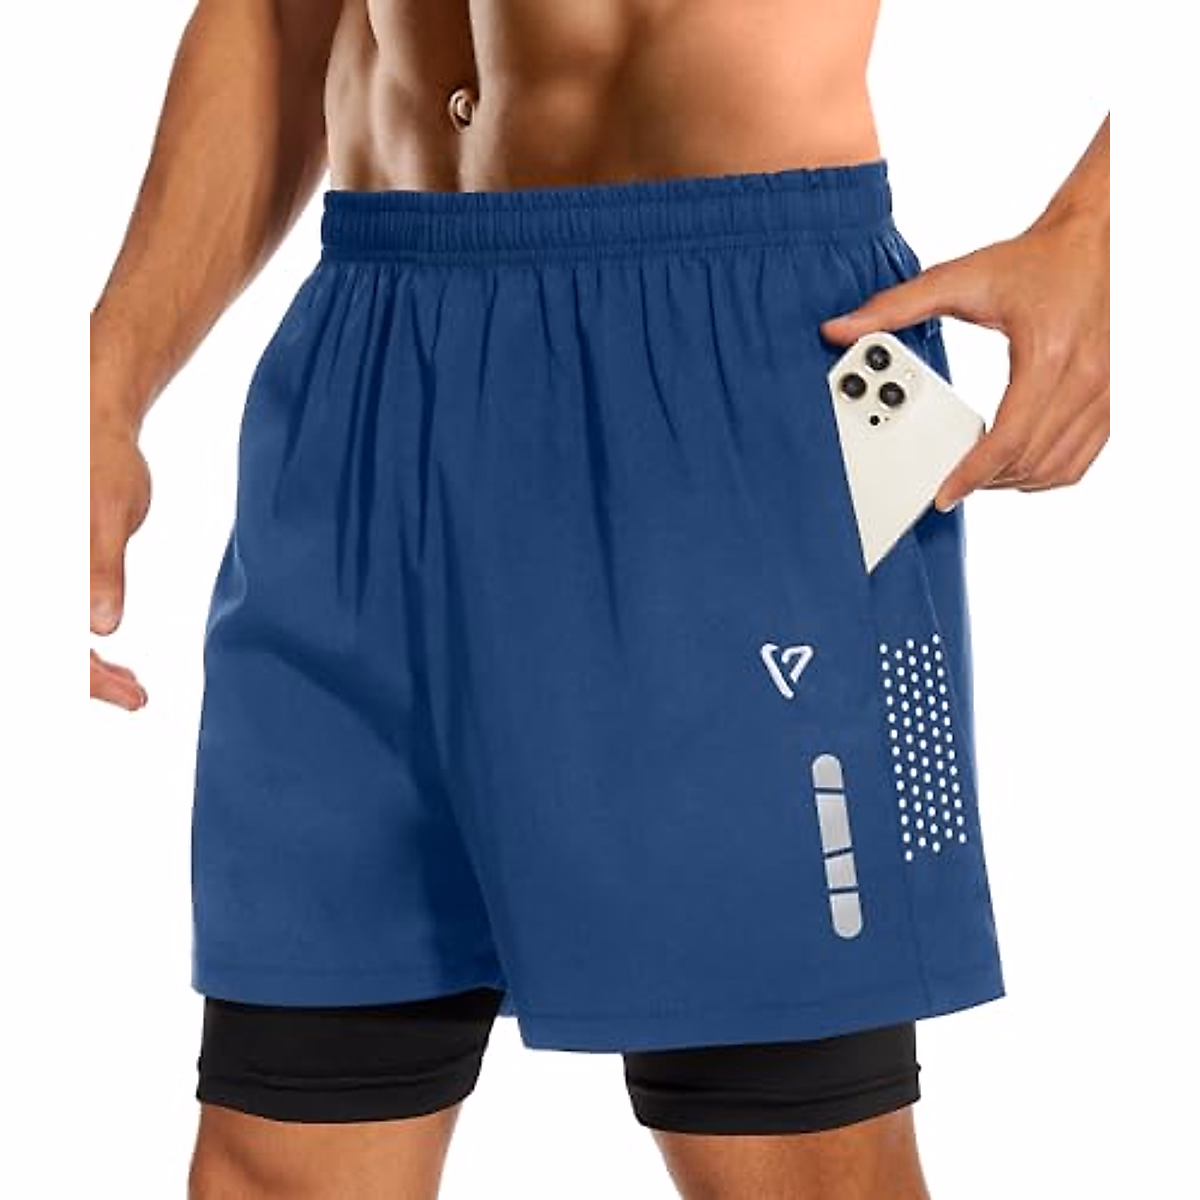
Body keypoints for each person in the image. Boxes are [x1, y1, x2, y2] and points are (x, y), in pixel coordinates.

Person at [89, 2, 1109, 1196]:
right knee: (278, 1157)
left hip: (728, 350)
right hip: (368, 355)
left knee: (793, 1157)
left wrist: (1105, 229)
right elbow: (279, 19)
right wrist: (100, 389)